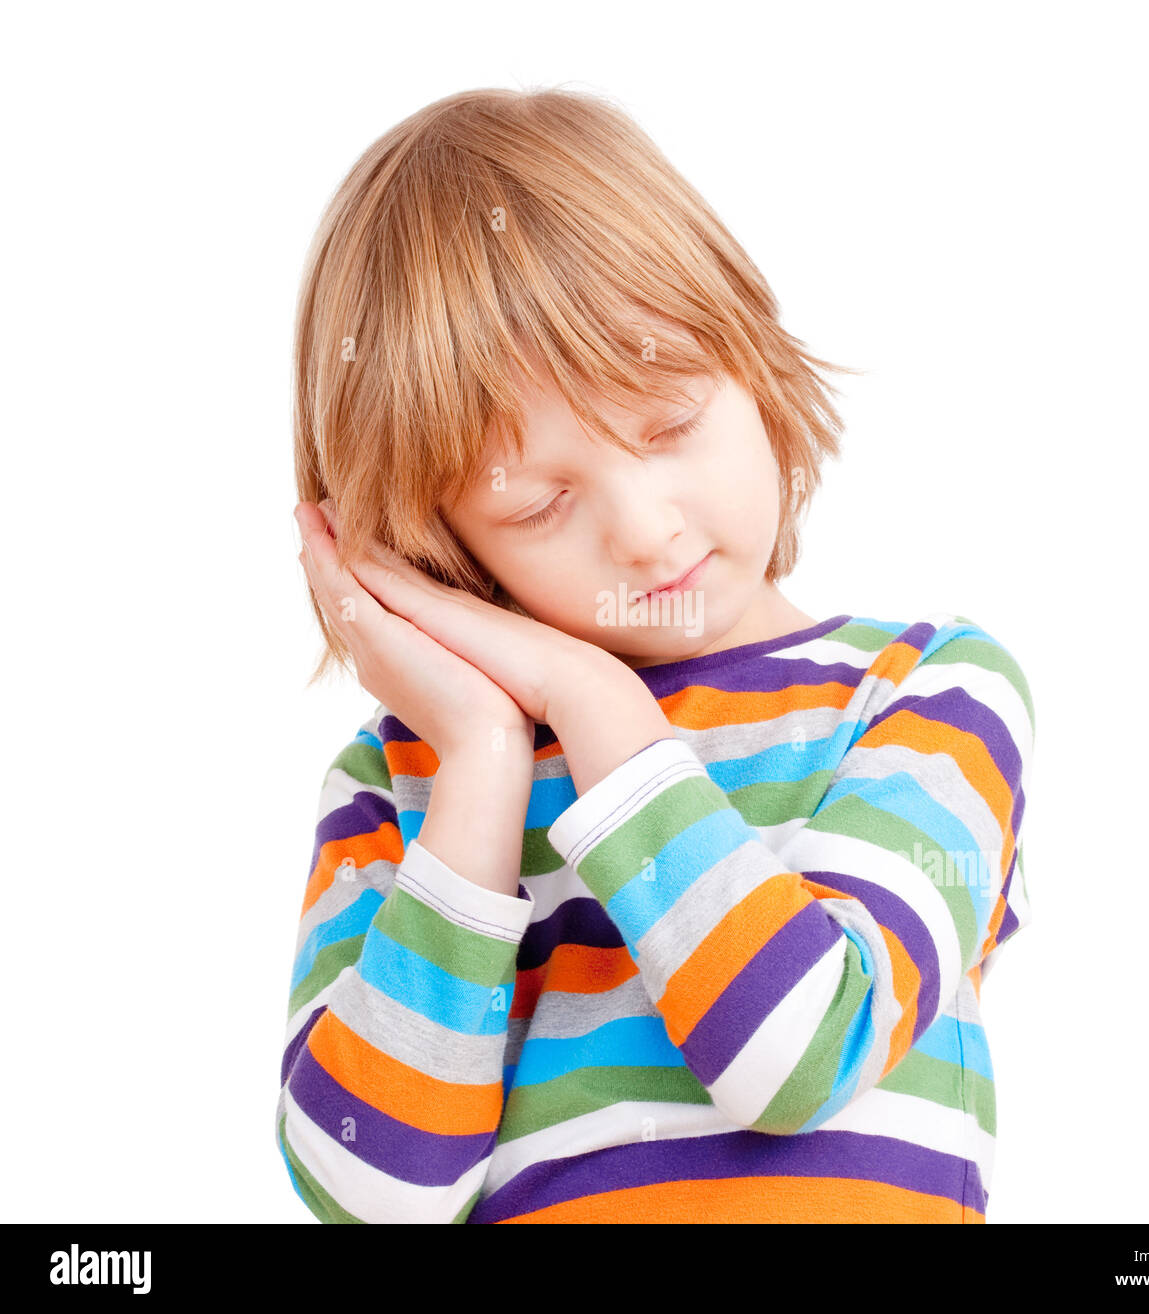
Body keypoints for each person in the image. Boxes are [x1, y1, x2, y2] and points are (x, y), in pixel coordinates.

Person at [276, 86, 1035, 1224]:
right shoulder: (408, 785)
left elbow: (798, 1053)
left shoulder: (929, 693)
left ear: (752, 362)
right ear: (438, 552)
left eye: (670, 423)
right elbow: (370, 1193)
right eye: (539, 504)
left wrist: (593, 701)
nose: (643, 528)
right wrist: (484, 759)